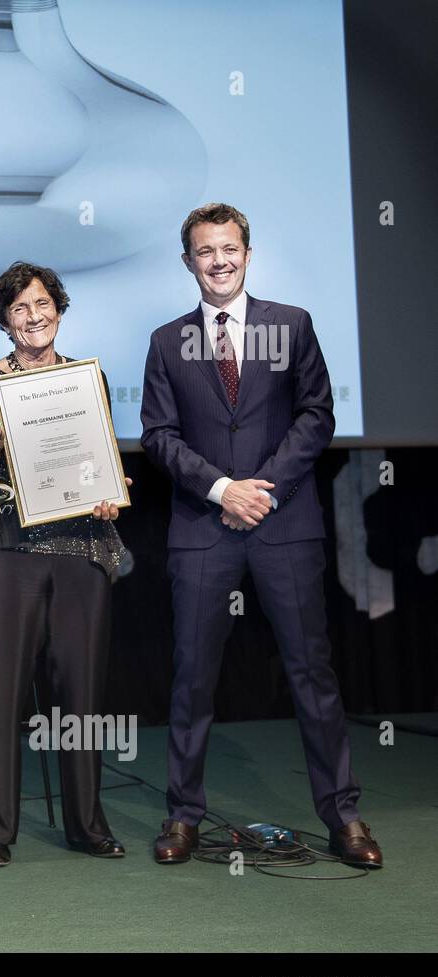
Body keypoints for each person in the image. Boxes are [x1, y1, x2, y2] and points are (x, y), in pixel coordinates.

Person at [140, 202, 382, 868]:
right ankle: (183, 816)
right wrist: (222, 489)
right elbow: (159, 437)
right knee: (192, 678)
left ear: (248, 253)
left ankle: (345, 816)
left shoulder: (293, 325)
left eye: (229, 249)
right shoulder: (167, 341)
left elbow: (316, 415)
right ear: (187, 260)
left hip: (284, 525)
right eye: (204, 251)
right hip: (203, 526)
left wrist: (261, 489)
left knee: (312, 673)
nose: (217, 261)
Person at [0, 262, 131, 867]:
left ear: (59, 307)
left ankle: (87, 824)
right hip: (10, 550)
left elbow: (100, 460)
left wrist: (111, 489)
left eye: (42, 304)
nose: (33, 317)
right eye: (18, 309)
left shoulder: (89, 379)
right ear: (3, 322)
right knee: (2, 693)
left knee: (81, 697)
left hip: (82, 546)